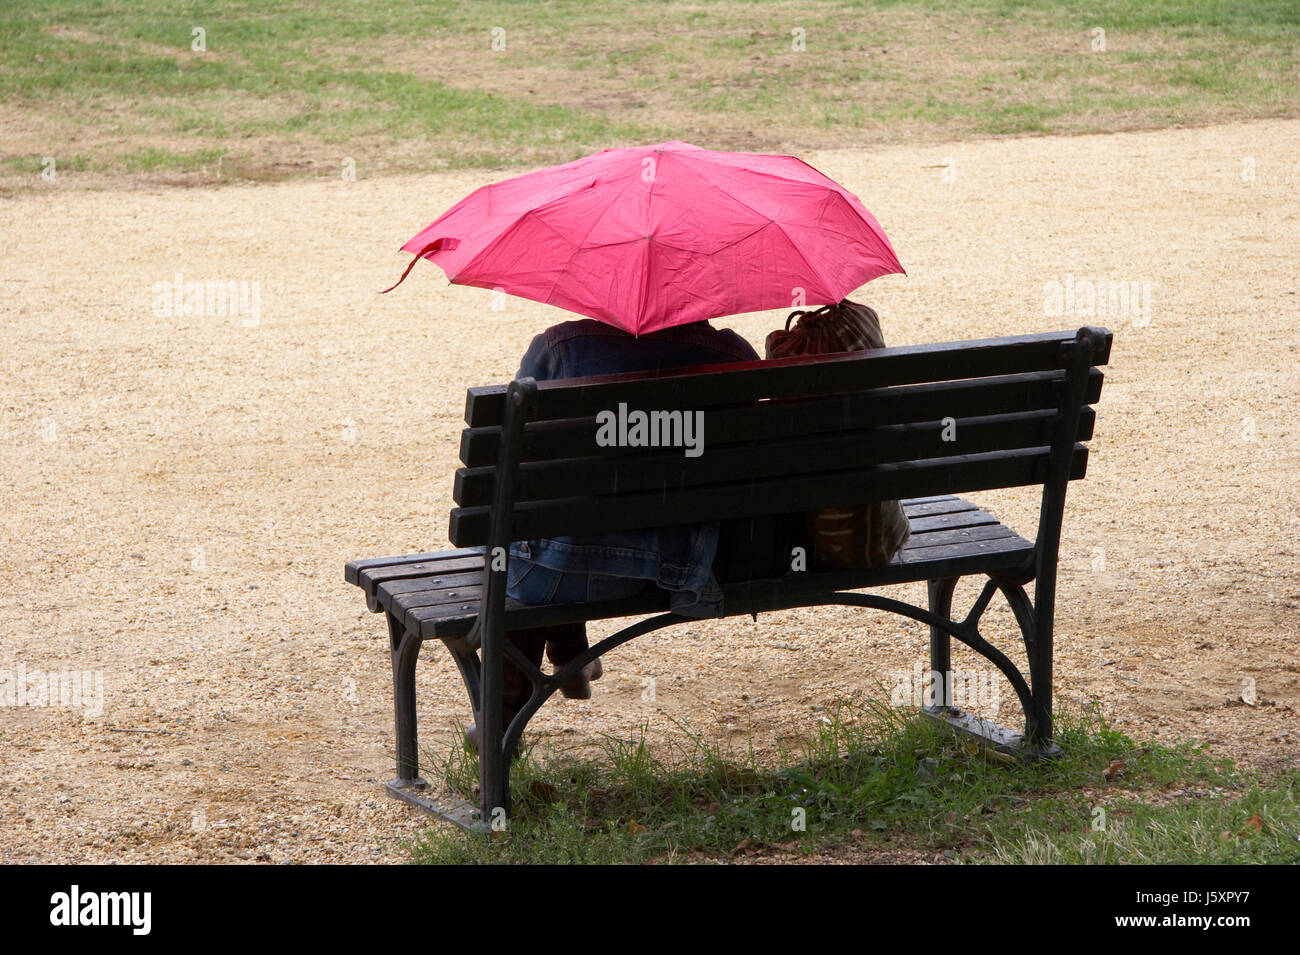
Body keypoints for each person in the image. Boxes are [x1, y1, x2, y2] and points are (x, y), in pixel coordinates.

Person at [466, 318, 760, 749]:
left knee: (526, 538)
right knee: (573, 527)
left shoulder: (562, 347)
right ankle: (570, 656)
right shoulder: (735, 357)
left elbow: (510, 457)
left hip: (550, 575)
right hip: (680, 568)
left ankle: (503, 721)